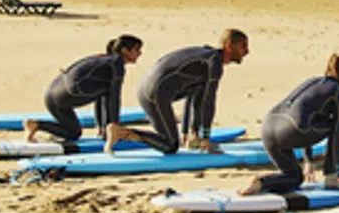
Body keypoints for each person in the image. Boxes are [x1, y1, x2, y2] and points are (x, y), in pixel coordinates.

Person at [106, 29, 248, 155]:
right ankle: (121, 132)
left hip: (147, 90)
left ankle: (192, 137)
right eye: (243, 47)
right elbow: (208, 102)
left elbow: (196, 97)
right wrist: (206, 139)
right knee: (170, 145)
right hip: (156, 94)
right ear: (229, 46)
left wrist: (189, 132)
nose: (247, 51)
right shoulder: (213, 63)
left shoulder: (207, 57)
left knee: (168, 136)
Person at [239, 54, 339, 197]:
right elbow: (338, 132)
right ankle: (331, 176)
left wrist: (308, 162)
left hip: (268, 129)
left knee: (294, 178)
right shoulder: (337, 92)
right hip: (291, 130)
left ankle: (261, 182)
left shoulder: (314, 81)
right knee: (335, 125)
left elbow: (305, 116)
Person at [22, 35, 142, 153]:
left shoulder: (103, 59)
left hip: (51, 95)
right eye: (137, 50)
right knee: (108, 91)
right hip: (68, 94)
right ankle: (108, 130)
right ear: (125, 51)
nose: (140, 53)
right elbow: (114, 97)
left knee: (73, 133)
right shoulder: (117, 63)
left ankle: (35, 125)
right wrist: (114, 124)